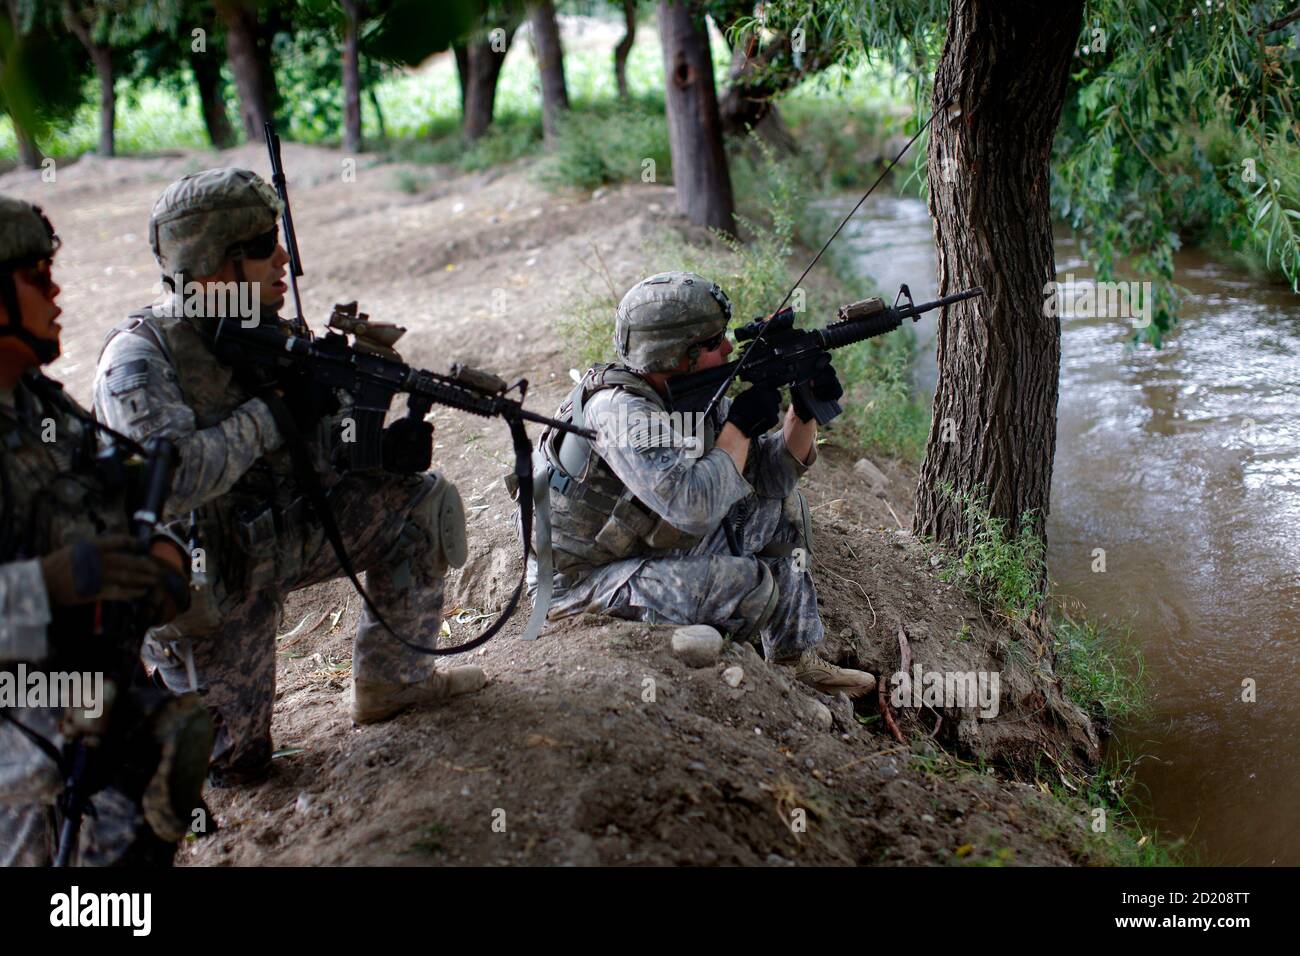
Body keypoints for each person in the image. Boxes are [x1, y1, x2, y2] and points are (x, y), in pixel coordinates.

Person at [93, 168, 484, 787]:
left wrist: (377, 446)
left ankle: (393, 683)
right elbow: (167, 482)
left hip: (280, 537)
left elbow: (316, 449)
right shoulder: (143, 357)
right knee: (233, 766)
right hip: (208, 580)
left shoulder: (272, 332)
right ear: (215, 265)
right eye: (261, 247)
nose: (283, 259)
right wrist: (268, 415)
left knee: (421, 505)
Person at [537, 271, 875, 697]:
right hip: (582, 580)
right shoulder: (621, 413)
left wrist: (803, 409)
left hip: (638, 544)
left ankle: (795, 660)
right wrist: (739, 426)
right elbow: (692, 505)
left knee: (782, 511)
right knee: (748, 585)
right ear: (677, 355)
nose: (730, 347)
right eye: (715, 342)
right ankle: (755, 685)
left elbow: (768, 476)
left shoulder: (685, 395)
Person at [0, 195, 204, 865]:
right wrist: (47, 586)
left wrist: (165, 557)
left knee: (168, 741)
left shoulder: (39, 403)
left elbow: (124, 495)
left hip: (70, 678)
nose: (57, 291)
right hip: (26, 708)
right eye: (35, 275)